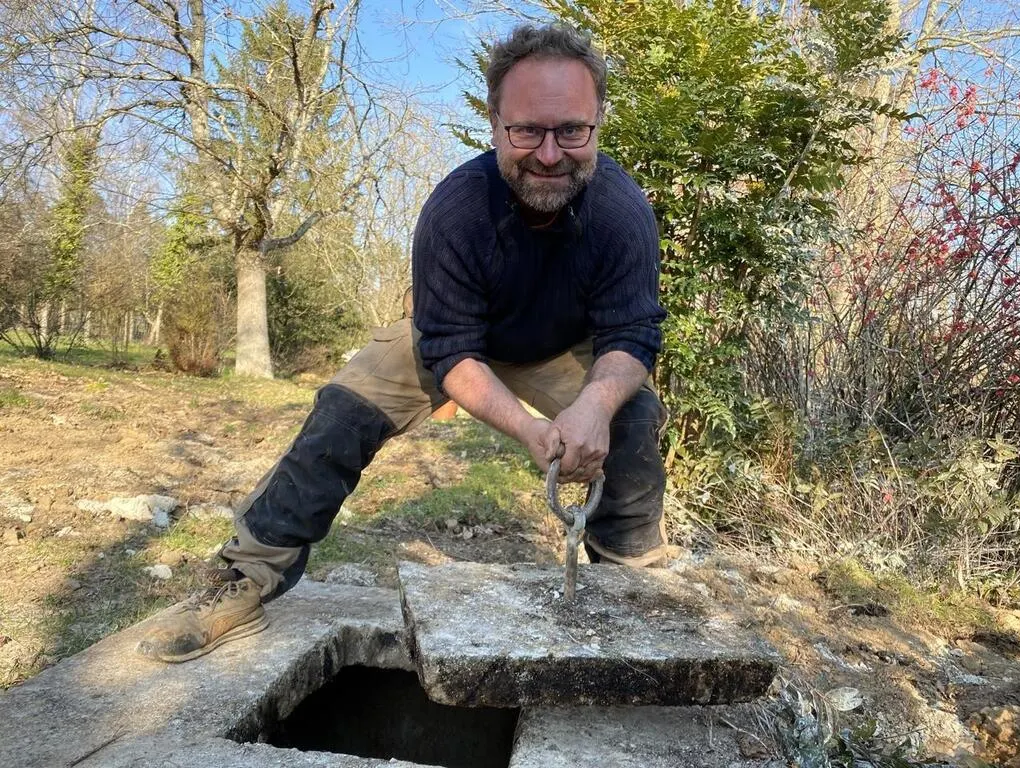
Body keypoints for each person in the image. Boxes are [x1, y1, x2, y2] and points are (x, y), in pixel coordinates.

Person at [136, 23, 669, 664]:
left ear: (597, 122)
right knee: (343, 410)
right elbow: (450, 350)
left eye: (571, 131)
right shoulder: (455, 211)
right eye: (527, 130)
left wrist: (592, 408)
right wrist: (529, 430)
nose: (550, 154)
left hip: (562, 349)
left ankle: (636, 585)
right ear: (494, 124)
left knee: (632, 413)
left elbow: (632, 334)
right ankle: (244, 574)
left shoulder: (622, 212)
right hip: (458, 342)